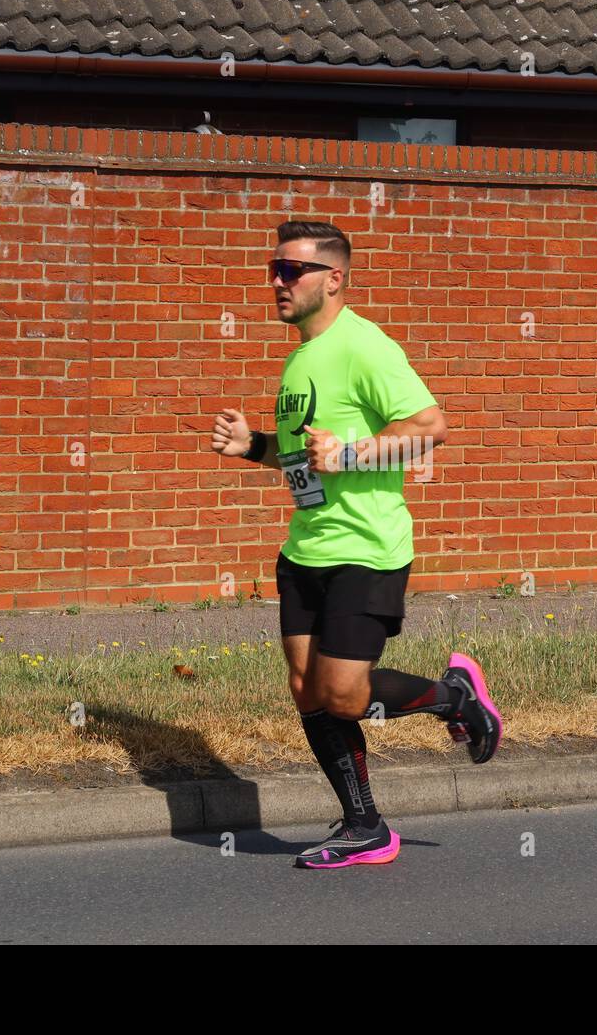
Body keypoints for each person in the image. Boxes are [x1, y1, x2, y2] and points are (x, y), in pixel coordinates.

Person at [210, 220, 502, 869]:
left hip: (366, 549)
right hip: (306, 549)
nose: (278, 282)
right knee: (306, 689)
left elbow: (431, 426)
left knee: (343, 693)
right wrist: (255, 446)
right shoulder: (298, 360)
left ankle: (456, 695)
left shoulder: (364, 345)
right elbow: (305, 460)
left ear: (334, 279)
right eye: (274, 268)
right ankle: (365, 824)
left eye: (294, 270)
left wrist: (354, 450)